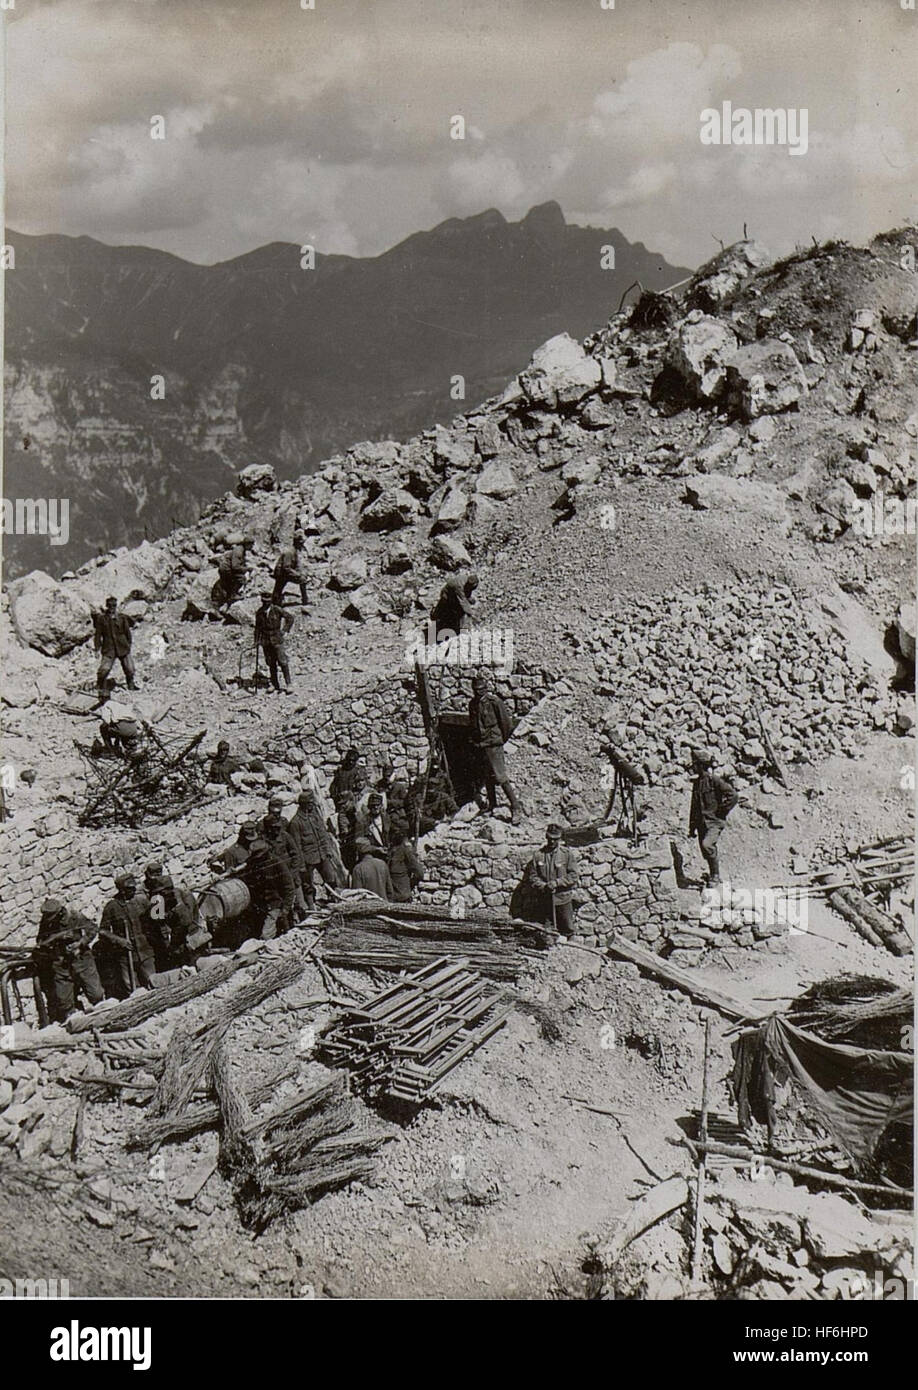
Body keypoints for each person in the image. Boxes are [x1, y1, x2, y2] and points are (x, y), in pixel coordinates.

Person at [33, 899, 104, 1023]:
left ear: (60, 912)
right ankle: (74, 1021)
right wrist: (56, 940)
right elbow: (40, 941)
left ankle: (102, 1017)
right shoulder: (46, 922)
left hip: (82, 960)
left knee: (96, 994)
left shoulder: (74, 916)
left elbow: (92, 929)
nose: (50, 919)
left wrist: (80, 943)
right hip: (61, 964)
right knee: (64, 1001)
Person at [468, 674, 522, 824]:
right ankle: (492, 805)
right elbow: (473, 725)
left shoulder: (494, 702)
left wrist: (499, 741)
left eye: (481, 689)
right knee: (487, 776)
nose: (478, 692)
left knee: (500, 776)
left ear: (486, 688)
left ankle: (516, 807)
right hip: (481, 745)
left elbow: (506, 724)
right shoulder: (472, 704)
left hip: (493, 745)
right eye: (475, 689)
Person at [98, 873, 156, 997]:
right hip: (125, 955)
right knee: (132, 987)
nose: (134, 890)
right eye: (130, 889)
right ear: (122, 891)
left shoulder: (141, 901)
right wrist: (120, 941)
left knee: (153, 981)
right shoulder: (111, 907)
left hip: (145, 951)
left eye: (134, 887)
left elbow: (154, 921)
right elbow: (103, 931)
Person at [143, 863, 207, 970]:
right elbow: (158, 920)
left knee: (194, 963)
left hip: (190, 936)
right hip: (176, 940)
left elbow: (186, 921)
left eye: (162, 893)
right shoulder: (158, 899)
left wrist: (175, 910)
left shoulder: (182, 896)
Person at [688, 748, 738, 886]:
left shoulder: (714, 780)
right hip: (702, 823)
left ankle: (715, 876)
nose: (694, 768)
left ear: (701, 766)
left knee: (707, 845)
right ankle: (712, 875)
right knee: (705, 851)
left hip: (715, 822)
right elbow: (694, 807)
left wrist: (722, 810)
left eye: (696, 765)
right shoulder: (697, 783)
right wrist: (692, 827)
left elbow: (733, 795)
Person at [523, 824, 580, 936]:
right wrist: (544, 886)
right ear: (546, 837)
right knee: (545, 931)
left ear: (560, 838)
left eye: (555, 839)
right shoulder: (538, 855)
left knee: (568, 930)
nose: (552, 842)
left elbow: (573, 875)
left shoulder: (566, 854)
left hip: (563, 899)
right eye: (550, 838)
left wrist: (557, 883)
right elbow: (533, 877)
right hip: (544, 900)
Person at [288, 790, 339, 908]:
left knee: (330, 877)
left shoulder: (315, 816)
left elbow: (323, 834)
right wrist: (301, 865)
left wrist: (328, 850)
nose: (313, 805)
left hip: (322, 854)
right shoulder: (296, 822)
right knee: (307, 884)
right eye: (310, 803)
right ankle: (311, 905)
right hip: (308, 858)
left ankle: (334, 900)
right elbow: (297, 846)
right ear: (304, 804)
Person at [260, 798, 306, 919]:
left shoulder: (285, 834)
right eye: (273, 828)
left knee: (299, 903)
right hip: (275, 877)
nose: (276, 830)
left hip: (290, 872)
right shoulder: (263, 833)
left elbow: (296, 854)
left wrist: (294, 872)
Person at [241, 837, 296, 939]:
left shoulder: (277, 863)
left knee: (266, 936)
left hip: (275, 904)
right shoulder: (251, 863)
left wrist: (285, 909)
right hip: (259, 905)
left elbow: (289, 887)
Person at [93, 596, 137, 694]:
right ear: (107, 606)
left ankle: (131, 684)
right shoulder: (101, 619)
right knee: (104, 669)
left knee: (130, 668)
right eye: (110, 605)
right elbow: (98, 635)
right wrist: (97, 648)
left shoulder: (122, 618)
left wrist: (128, 645)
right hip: (109, 649)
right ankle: (100, 684)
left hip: (123, 647)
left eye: (114, 605)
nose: (112, 607)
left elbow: (127, 632)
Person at [254, 590, 294, 693]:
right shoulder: (259, 612)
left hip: (277, 639)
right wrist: (257, 641)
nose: (265, 603)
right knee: (271, 663)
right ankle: (274, 684)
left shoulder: (276, 609)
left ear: (270, 601)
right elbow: (257, 628)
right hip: (266, 640)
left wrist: (284, 631)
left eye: (267, 601)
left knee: (282, 661)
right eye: (263, 601)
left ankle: (289, 684)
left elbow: (290, 618)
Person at [430, 571, 479, 639]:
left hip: (455, 594)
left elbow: (467, 590)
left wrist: (469, 597)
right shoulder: (459, 586)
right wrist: (470, 613)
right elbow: (463, 602)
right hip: (447, 595)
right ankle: (445, 627)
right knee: (457, 611)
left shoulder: (468, 581)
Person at [271, 534, 309, 607]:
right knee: (302, 580)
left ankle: (275, 603)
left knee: (278, 589)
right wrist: (297, 574)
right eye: (301, 544)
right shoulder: (289, 552)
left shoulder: (294, 551)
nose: (302, 545)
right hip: (282, 574)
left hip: (286, 573)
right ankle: (305, 601)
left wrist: (302, 572)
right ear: (297, 543)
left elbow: (297, 565)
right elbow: (286, 567)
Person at [215, 536, 249, 607]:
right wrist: (247, 569)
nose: (252, 547)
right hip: (226, 570)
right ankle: (233, 595)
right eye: (251, 545)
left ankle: (229, 597)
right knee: (241, 579)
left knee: (229, 585)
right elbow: (235, 567)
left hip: (227, 568)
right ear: (247, 544)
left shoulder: (241, 549)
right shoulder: (239, 551)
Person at [388, 836, 424, 903]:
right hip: (402, 895)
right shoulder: (405, 851)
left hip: (394, 897)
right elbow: (420, 873)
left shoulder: (390, 852)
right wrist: (411, 884)